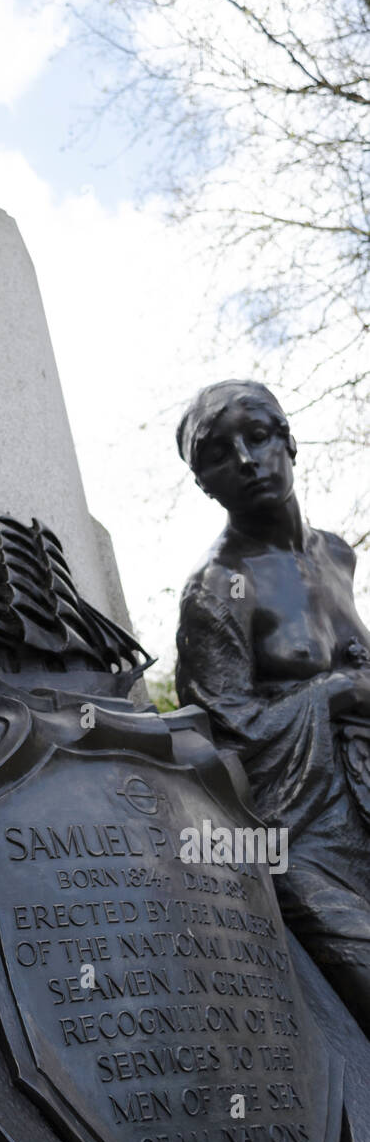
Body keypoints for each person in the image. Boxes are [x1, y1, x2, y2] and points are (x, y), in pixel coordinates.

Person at [175, 379, 370, 1035]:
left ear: (289, 441)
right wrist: (338, 691)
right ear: (203, 481)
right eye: (217, 452)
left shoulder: (336, 554)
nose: (247, 459)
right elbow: (223, 733)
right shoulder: (214, 590)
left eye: (258, 436)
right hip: (304, 832)